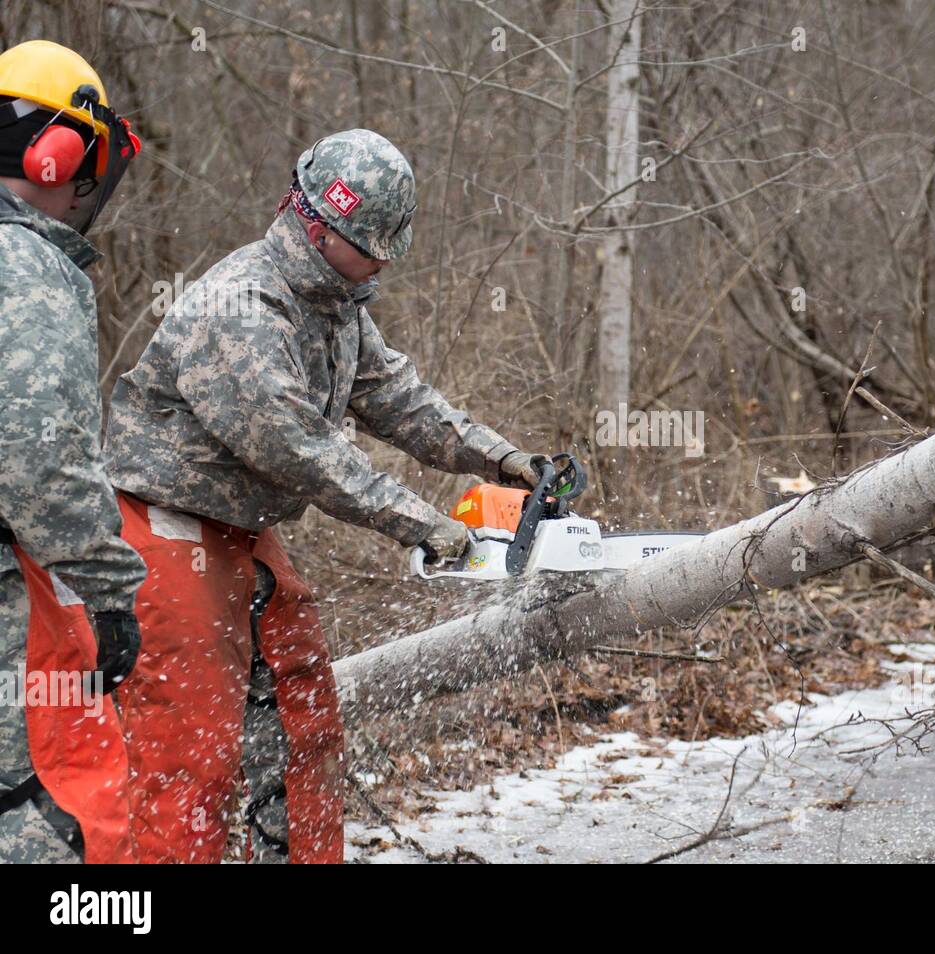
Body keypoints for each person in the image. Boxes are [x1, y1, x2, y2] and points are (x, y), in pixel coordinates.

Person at [105, 128, 548, 863]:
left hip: (245, 536)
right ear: (318, 223)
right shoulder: (242, 308)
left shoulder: (336, 307)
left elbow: (400, 399)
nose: (380, 261)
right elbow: (297, 449)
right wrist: (418, 522)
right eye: (370, 245)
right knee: (191, 753)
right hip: (166, 531)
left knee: (304, 714)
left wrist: (501, 458)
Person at [0, 39, 144, 863]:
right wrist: (111, 586)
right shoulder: (24, 263)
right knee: (44, 810)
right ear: (55, 153)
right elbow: (40, 454)